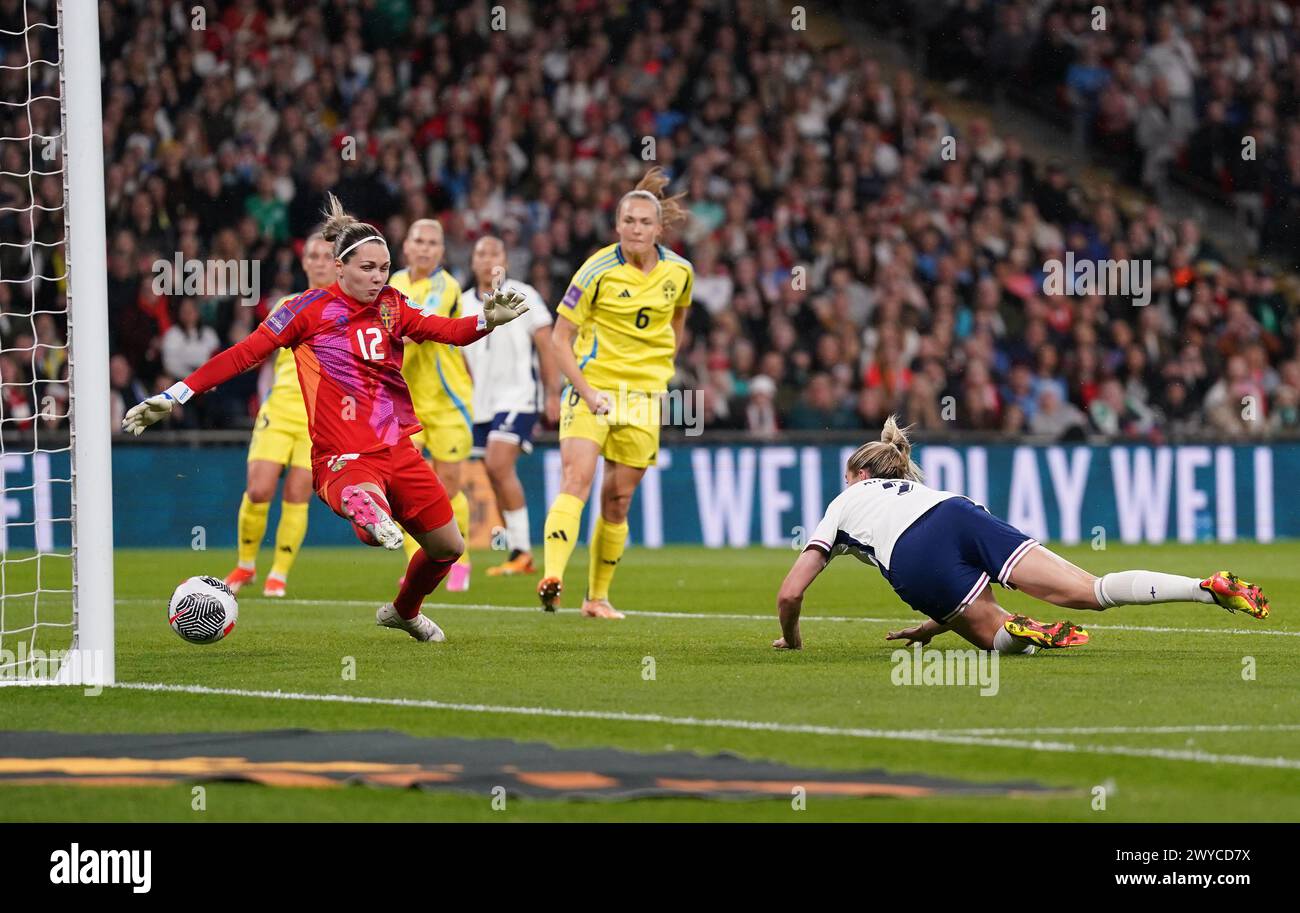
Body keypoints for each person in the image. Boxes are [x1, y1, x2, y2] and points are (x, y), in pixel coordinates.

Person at [123, 194, 530, 641]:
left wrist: (486, 321)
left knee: (447, 547)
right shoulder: (306, 310)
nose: (378, 278)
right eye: (367, 268)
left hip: (396, 448)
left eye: (382, 268)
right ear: (340, 268)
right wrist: (177, 393)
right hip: (342, 454)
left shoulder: (393, 304)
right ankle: (361, 517)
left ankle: (404, 610)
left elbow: (446, 331)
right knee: (366, 504)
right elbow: (243, 355)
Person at [773, 416, 1270, 652]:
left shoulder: (844, 503)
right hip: (962, 514)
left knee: (998, 640)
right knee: (1091, 591)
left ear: (859, 473)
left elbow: (790, 593)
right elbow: (959, 562)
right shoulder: (925, 491)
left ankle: (1016, 630)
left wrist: (792, 641)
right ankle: (1203, 590)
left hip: (912, 552)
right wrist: (931, 626)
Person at [538, 168, 693, 618]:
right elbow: (559, 338)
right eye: (629, 221)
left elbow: (678, 319)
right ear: (617, 225)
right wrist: (584, 392)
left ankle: (597, 598)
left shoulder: (680, 272)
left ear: (659, 228)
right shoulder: (596, 270)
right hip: (594, 389)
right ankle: (552, 576)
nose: (636, 229)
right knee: (576, 479)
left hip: (643, 397)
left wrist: (659, 367)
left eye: (645, 222)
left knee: (619, 500)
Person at [224, 233, 334, 597]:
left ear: (338, 263)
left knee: (297, 493)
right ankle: (246, 565)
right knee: (259, 489)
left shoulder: (348, 310)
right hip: (281, 408)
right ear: (304, 263)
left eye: (326, 256)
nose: (319, 262)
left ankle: (280, 574)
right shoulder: (288, 304)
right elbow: (261, 350)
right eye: (313, 255)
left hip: (318, 419)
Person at [460, 236, 559, 576]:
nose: (488, 259)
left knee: (498, 463)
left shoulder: (522, 294)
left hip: (518, 395)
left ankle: (521, 550)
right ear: (472, 261)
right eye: (481, 253)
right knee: (492, 470)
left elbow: (546, 344)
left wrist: (553, 393)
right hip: (481, 403)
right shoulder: (461, 304)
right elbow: (461, 358)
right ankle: (518, 553)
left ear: (505, 259)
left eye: (495, 253)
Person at [390, 218, 474, 590]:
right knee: (409, 491)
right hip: (407, 404)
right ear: (405, 246)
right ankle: (416, 564)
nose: (424, 248)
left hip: (449, 401)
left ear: (441, 250)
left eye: (432, 243)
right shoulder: (392, 284)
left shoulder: (447, 286)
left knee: (449, 487)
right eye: (418, 240)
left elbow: (418, 332)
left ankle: (461, 560)